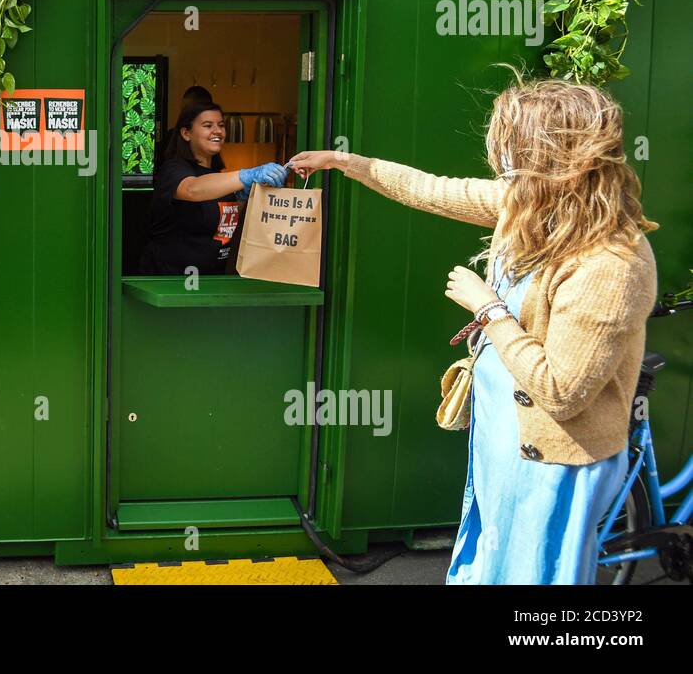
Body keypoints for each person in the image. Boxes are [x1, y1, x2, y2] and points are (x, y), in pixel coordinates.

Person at [288, 78, 657, 584]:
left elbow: (562, 392)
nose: (500, 167)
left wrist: (489, 309)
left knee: (530, 577)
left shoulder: (611, 264)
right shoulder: (531, 207)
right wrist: (343, 162)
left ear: (550, 161)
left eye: (511, 154)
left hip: (550, 457)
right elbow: (430, 190)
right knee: (490, 561)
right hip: (501, 436)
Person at [141, 101, 287, 276]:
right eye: (207, 125)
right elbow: (192, 189)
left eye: (221, 125)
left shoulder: (219, 176)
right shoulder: (173, 170)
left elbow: (221, 221)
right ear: (186, 133)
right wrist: (245, 175)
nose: (217, 131)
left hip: (213, 276)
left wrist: (243, 199)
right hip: (173, 279)